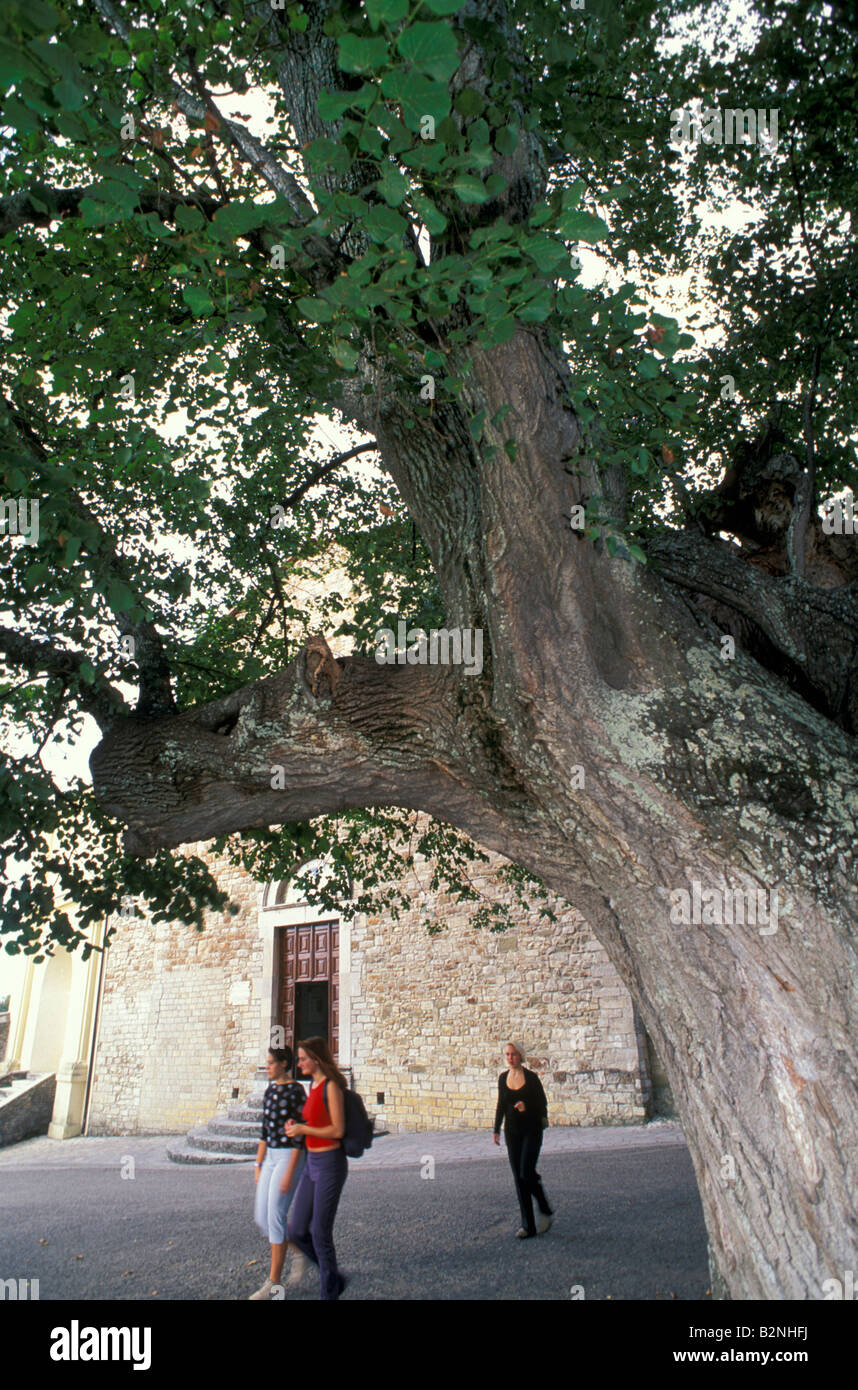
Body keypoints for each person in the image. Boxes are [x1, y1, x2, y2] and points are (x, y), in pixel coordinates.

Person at [285, 1036, 350, 1300]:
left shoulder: (331, 1087)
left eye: (302, 1059)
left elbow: (337, 1130)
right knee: (297, 1229)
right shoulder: (312, 1086)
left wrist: (304, 1128)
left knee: (321, 1233)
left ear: (316, 1059)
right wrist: (296, 1126)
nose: (298, 1064)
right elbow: (314, 1120)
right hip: (312, 1164)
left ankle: (328, 1293)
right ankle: (334, 1277)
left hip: (330, 1164)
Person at [248, 1045, 309, 1299]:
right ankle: (299, 1252)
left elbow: (300, 1135)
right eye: (267, 1063)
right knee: (262, 1217)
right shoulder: (270, 1091)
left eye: (272, 1063)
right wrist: (258, 1164)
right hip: (271, 1156)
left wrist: (289, 1172)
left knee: (275, 1216)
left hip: (289, 1157)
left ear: (284, 1064)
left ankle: (273, 1284)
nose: (267, 1067)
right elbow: (265, 1131)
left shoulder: (296, 1091)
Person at [492, 1041, 554, 1239]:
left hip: (532, 1130)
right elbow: (501, 1104)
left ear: (521, 1056)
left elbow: (542, 1105)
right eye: (508, 1055)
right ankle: (528, 1226)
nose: (510, 1058)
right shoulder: (503, 1078)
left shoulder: (531, 1078)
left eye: (514, 1054)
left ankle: (544, 1208)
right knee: (519, 1178)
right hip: (512, 1132)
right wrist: (496, 1130)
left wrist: (526, 1106)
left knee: (527, 1172)